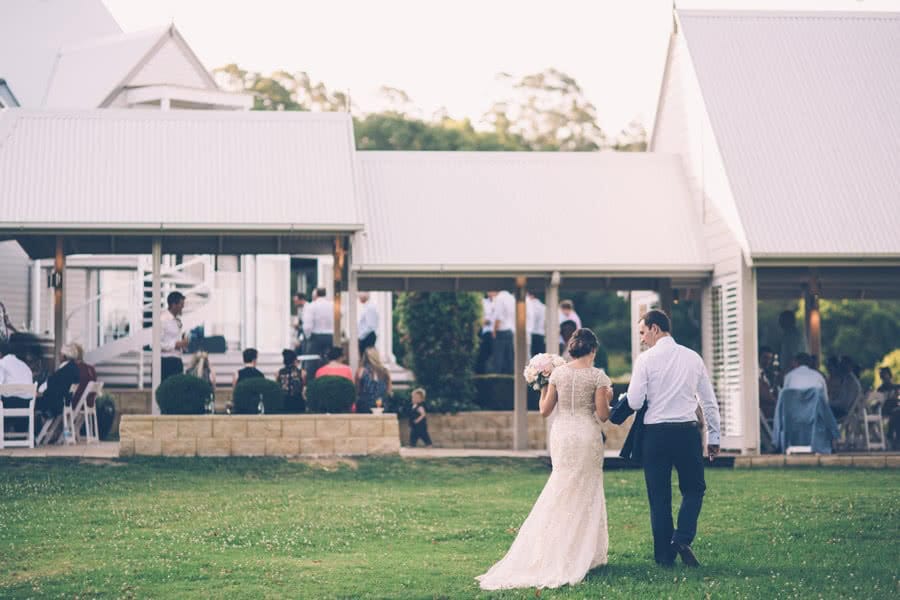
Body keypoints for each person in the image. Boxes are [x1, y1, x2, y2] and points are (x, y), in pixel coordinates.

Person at [477, 328, 611, 590]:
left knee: (560, 486)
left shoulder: (559, 374)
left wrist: (540, 387)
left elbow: (545, 410)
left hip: (562, 434)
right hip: (586, 435)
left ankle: (552, 548)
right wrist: (607, 395)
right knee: (586, 489)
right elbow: (603, 415)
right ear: (593, 350)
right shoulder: (599, 376)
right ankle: (583, 553)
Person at [626, 310, 720, 568]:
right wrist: (713, 435)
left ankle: (664, 557)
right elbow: (708, 403)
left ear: (655, 329)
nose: (642, 339)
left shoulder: (645, 360)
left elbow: (634, 401)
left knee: (659, 497)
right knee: (694, 489)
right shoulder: (693, 358)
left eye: (643, 333)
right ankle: (682, 537)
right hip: (687, 432)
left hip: (655, 435)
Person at [302, 288, 334, 379]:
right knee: (331, 361)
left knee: (312, 364)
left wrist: (308, 337)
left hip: (316, 337)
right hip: (330, 336)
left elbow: (307, 326)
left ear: (315, 295)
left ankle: (312, 384)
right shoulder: (332, 305)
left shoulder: (311, 306)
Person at [160, 291, 188, 382]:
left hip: (177, 361)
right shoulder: (162, 320)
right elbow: (155, 344)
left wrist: (183, 344)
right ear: (173, 305)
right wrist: (175, 345)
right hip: (166, 362)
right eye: (181, 304)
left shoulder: (178, 321)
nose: (183, 307)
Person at [356, 347, 392, 414]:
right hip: (381, 404)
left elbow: (357, 389)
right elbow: (389, 390)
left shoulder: (361, 371)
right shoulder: (385, 371)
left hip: (364, 405)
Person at [489, 290, 515, 373]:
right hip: (510, 330)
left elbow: (499, 317)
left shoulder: (499, 298)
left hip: (501, 331)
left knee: (498, 359)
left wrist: (494, 331)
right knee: (509, 359)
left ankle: (497, 381)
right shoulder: (511, 297)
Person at [830, 355, 862, 421]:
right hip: (842, 409)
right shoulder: (847, 379)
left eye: (842, 364)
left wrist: (829, 403)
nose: (839, 366)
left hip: (843, 412)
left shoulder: (851, 382)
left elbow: (843, 404)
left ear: (849, 366)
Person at [876, 367, 899, 450]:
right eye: (882, 375)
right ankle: (894, 440)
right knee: (896, 415)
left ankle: (893, 439)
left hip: (896, 410)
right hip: (886, 411)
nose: (883, 377)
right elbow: (877, 403)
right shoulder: (880, 389)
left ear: (890, 375)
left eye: (885, 374)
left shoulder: (897, 387)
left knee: (897, 413)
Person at [277, 349, 305, 413]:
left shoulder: (279, 373)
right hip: (298, 401)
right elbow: (303, 387)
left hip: (285, 402)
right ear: (295, 360)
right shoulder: (302, 373)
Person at [475, 294, 495, 374]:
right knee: (483, 355)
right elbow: (482, 319)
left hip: (496, 333)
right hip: (486, 332)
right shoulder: (484, 302)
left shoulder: (499, 301)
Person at [758, 345, 778, 420]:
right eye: (765, 358)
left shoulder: (767, 374)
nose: (767, 361)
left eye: (769, 359)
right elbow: (764, 394)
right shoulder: (754, 374)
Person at [526, 292, 546, 356]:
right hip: (541, 334)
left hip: (533, 333)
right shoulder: (543, 306)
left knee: (533, 357)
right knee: (540, 357)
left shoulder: (530, 305)